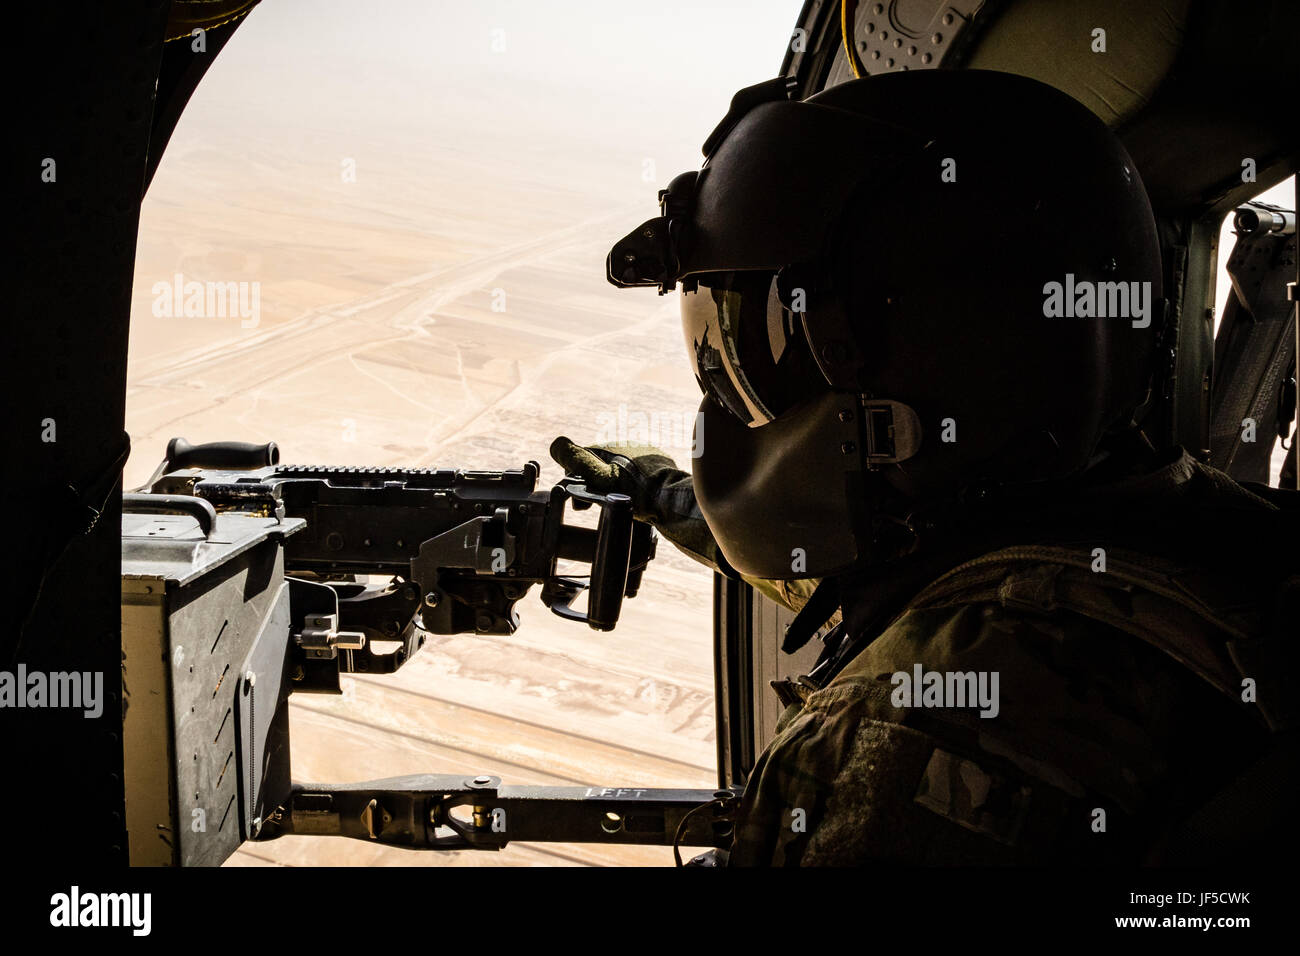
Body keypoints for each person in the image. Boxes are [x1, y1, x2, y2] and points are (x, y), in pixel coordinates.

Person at [553, 70, 1298, 865]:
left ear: (933, 356)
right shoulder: (1202, 536)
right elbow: (938, 575)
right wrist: (663, 495)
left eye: (755, 355)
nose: (727, 403)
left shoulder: (915, 727)